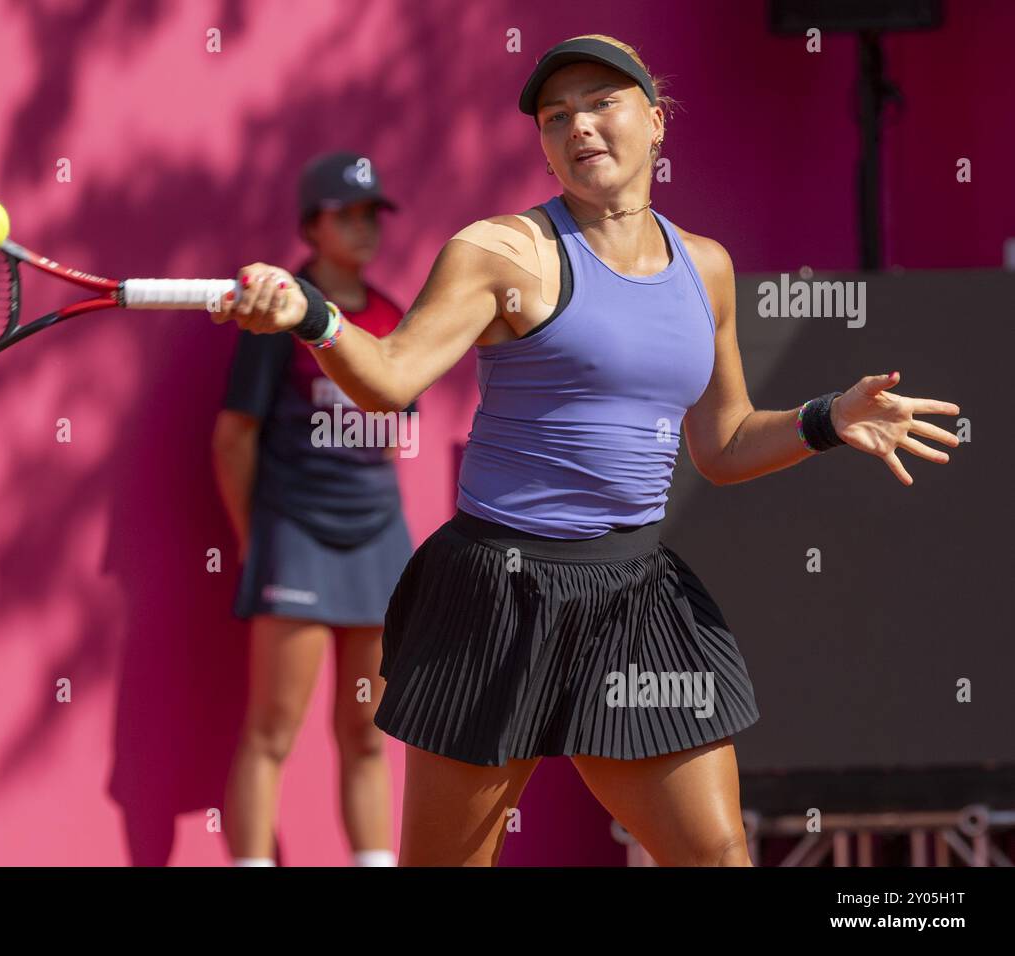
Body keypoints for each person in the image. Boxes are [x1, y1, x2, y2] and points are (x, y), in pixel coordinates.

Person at [212, 35, 962, 866]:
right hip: (497, 595)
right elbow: (389, 378)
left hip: (637, 598)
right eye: (556, 116)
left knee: (717, 855)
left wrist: (825, 419)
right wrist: (316, 319)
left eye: (602, 103)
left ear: (657, 120)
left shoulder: (705, 269)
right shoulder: (498, 253)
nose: (580, 127)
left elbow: (722, 443)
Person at [212, 151, 414, 867]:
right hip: (293, 535)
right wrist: (255, 539)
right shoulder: (277, 311)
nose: (362, 228)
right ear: (311, 225)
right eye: (345, 214)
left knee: (367, 733)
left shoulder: (394, 316)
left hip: (379, 540)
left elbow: (393, 430)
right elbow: (234, 439)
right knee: (272, 732)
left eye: (371, 215)